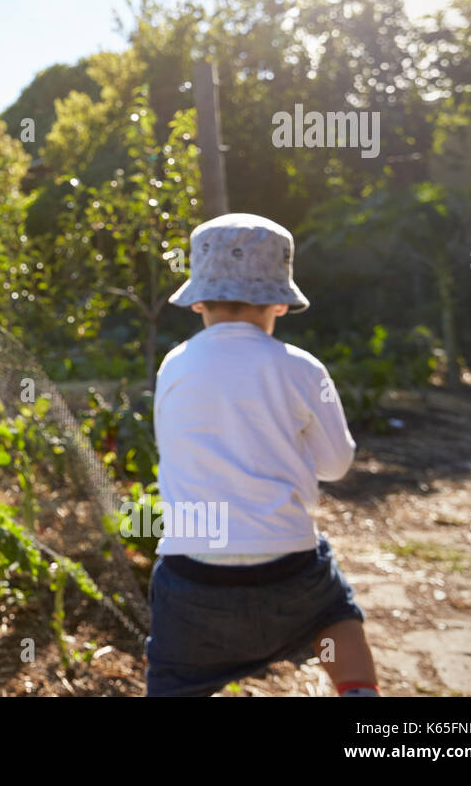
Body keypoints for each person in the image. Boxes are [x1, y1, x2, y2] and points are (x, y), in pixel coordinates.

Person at [143, 212, 380, 697]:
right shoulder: (303, 369)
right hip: (290, 578)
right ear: (280, 302)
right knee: (335, 612)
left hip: (194, 585)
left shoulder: (174, 366)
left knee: (172, 676)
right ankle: (359, 693)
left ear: (198, 301)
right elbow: (336, 465)